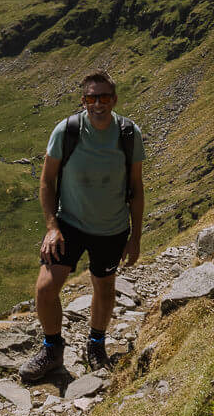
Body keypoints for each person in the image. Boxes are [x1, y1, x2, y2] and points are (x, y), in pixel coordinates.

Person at [19, 71, 145, 382]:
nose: (98, 104)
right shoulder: (67, 130)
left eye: (104, 97)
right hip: (69, 224)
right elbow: (47, 181)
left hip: (112, 228)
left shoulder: (129, 133)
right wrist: (52, 227)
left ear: (114, 99)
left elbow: (137, 188)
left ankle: (96, 344)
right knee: (45, 289)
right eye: (91, 98)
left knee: (104, 288)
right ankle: (52, 350)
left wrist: (136, 238)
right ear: (83, 101)